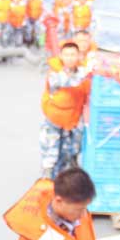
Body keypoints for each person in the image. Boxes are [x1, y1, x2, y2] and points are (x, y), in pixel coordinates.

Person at [39, 42, 92, 178]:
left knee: (70, 152)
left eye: (73, 54)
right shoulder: (54, 72)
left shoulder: (83, 72)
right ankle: (48, 179)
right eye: (67, 55)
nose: (70, 58)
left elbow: (87, 90)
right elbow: (68, 83)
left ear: (78, 56)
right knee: (51, 153)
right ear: (61, 56)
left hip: (73, 119)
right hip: (54, 119)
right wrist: (87, 72)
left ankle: (66, 179)